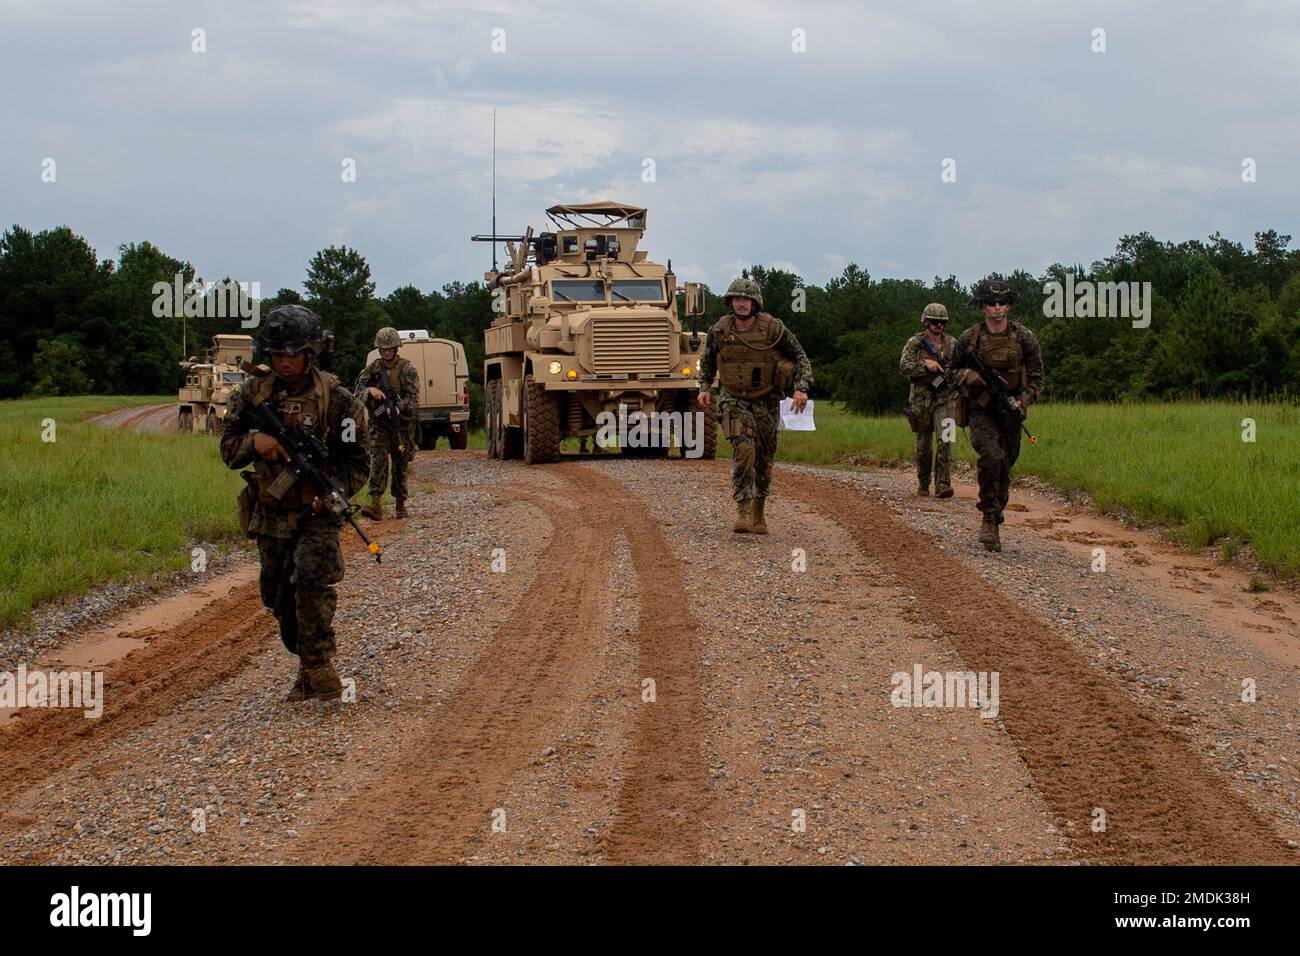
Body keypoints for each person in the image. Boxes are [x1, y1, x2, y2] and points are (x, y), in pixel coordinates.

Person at [220, 306, 369, 701]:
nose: (285, 362)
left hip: (317, 514)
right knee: (277, 596)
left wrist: (332, 493)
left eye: (294, 354)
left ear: (311, 352)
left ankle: (320, 667)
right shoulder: (252, 396)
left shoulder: (338, 402)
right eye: (277, 354)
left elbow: (359, 464)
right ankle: (305, 663)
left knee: (311, 583)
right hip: (270, 512)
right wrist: (256, 443)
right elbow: (228, 451)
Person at [696, 277, 813, 534]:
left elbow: (800, 356)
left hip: (767, 398)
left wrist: (801, 388)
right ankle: (743, 509)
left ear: (754, 303)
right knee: (744, 447)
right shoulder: (721, 329)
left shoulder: (773, 329)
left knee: (764, 456)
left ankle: (759, 508)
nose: (741, 303)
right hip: (732, 398)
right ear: (731, 302)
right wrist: (705, 388)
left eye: (746, 299)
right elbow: (707, 362)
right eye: (737, 299)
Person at [950, 279, 1044, 552]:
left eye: (1002, 302)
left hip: (1011, 411)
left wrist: (1022, 400)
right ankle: (989, 518)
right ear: (982, 307)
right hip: (981, 410)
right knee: (991, 457)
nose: (997, 308)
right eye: (991, 303)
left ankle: (997, 508)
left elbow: (1038, 377)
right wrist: (970, 375)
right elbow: (950, 373)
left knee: (1005, 464)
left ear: (1009, 305)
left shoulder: (1024, 337)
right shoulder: (970, 339)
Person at [353, 327, 420, 520]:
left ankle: (400, 503)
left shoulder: (407, 369)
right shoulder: (373, 368)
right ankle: (375, 504)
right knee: (378, 460)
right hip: (379, 423)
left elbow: (414, 398)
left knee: (400, 462)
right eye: (383, 349)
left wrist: (400, 406)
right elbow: (357, 392)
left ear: (396, 348)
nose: (386, 352)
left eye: (390, 348)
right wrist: (370, 392)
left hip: (401, 424)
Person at [899, 303, 958, 498]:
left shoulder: (952, 343)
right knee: (923, 445)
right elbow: (904, 367)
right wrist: (926, 365)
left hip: (946, 399)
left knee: (946, 440)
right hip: (921, 400)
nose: (938, 325)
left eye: (942, 322)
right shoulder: (915, 343)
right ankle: (923, 483)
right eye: (934, 322)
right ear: (926, 321)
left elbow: (960, 368)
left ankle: (943, 484)